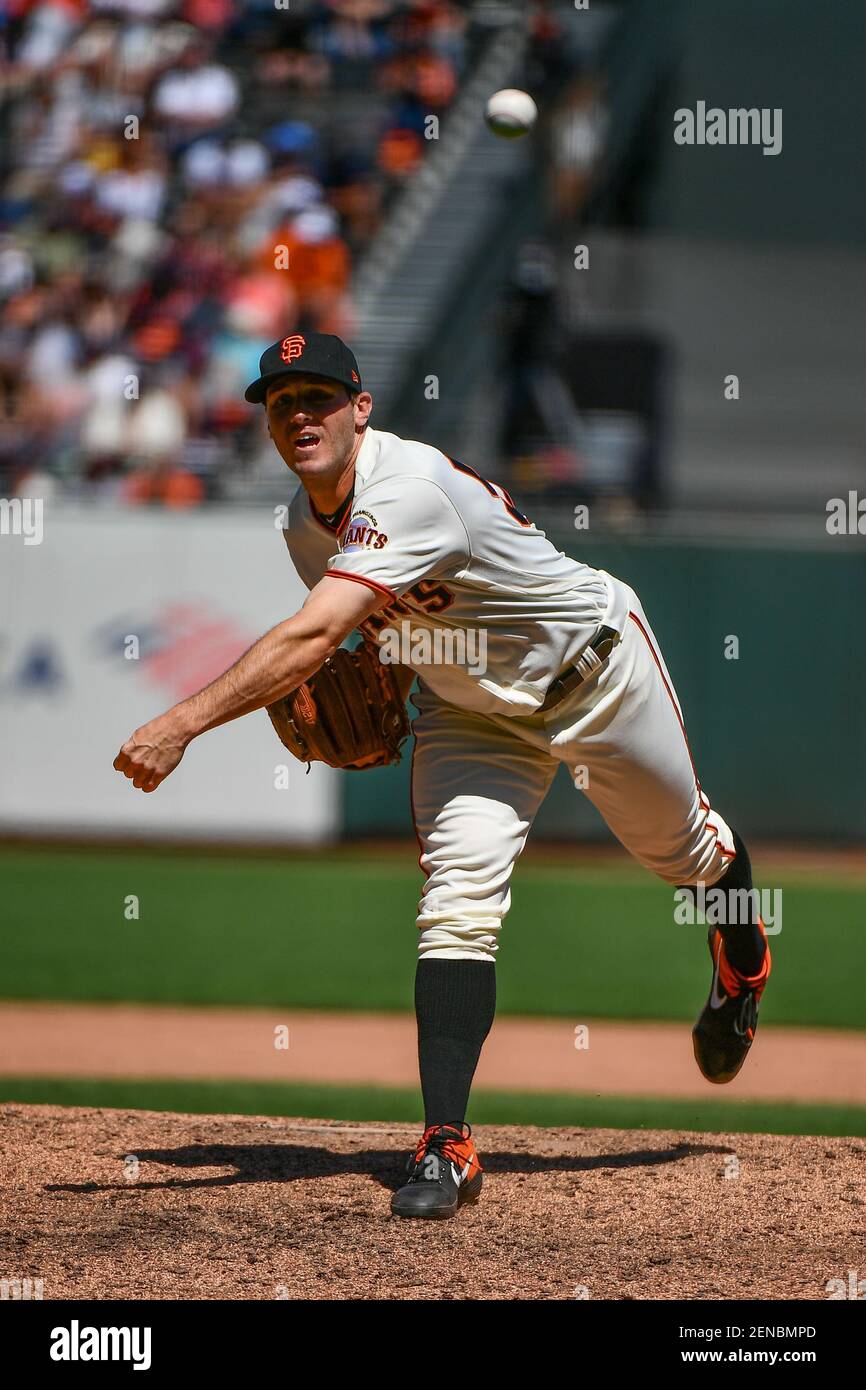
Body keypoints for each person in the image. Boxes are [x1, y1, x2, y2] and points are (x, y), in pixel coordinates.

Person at [114, 331, 772, 1220]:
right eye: (280, 403)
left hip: (594, 671)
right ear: (269, 428)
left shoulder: (408, 485)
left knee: (688, 853)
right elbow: (378, 631)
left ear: (360, 409)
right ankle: (446, 1144)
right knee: (457, 901)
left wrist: (181, 722)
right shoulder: (301, 527)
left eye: (318, 397)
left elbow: (314, 636)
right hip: (470, 712)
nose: (300, 414)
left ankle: (741, 958)